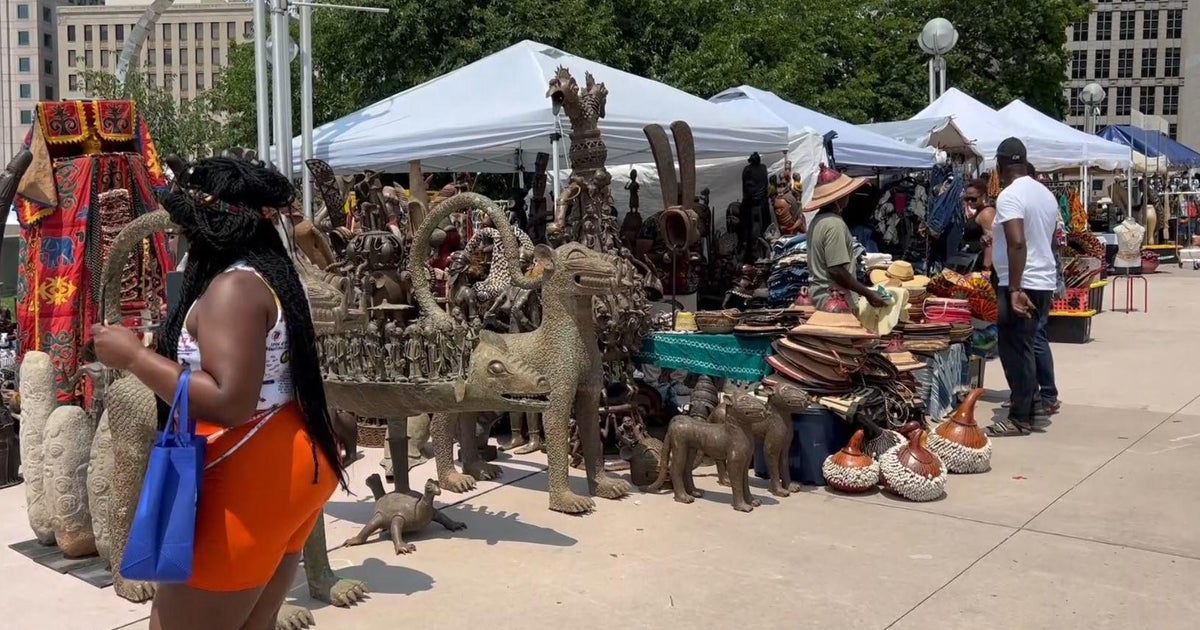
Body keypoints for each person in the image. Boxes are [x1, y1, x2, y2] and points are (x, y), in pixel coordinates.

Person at [92, 157, 346, 629]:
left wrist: (133, 357)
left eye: (184, 222)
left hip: (246, 479)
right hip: (287, 462)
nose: (179, 233)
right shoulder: (263, 276)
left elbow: (231, 401)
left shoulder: (230, 289)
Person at [988, 138, 1059, 436]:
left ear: (1000, 165)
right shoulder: (1045, 194)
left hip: (1020, 283)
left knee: (1015, 350)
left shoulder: (1009, 195)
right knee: (1026, 347)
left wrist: (1015, 288)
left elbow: (1018, 241)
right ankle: (1028, 407)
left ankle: (1019, 417)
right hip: (1042, 279)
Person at [804, 165, 887, 311]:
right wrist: (868, 294)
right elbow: (836, 270)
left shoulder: (817, 222)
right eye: (846, 193)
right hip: (834, 301)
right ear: (838, 197)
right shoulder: (834, 224)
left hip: (820, 297)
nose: (849, 196)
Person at [740, 152, 769, 261]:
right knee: (762, 230)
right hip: (762, 204)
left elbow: (745, 189)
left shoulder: (747, 170)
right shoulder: (763, 168)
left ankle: (751, 254)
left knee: (749, 231)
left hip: (751, 204)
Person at [962, 179, 996, 270]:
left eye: (973, 199)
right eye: (967, 199)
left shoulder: (986, 213)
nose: (969, 202)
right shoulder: (978, 212)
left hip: (980, 264)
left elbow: (990, 242)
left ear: (983, 196)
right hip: (972, 261)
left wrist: (986, 269)